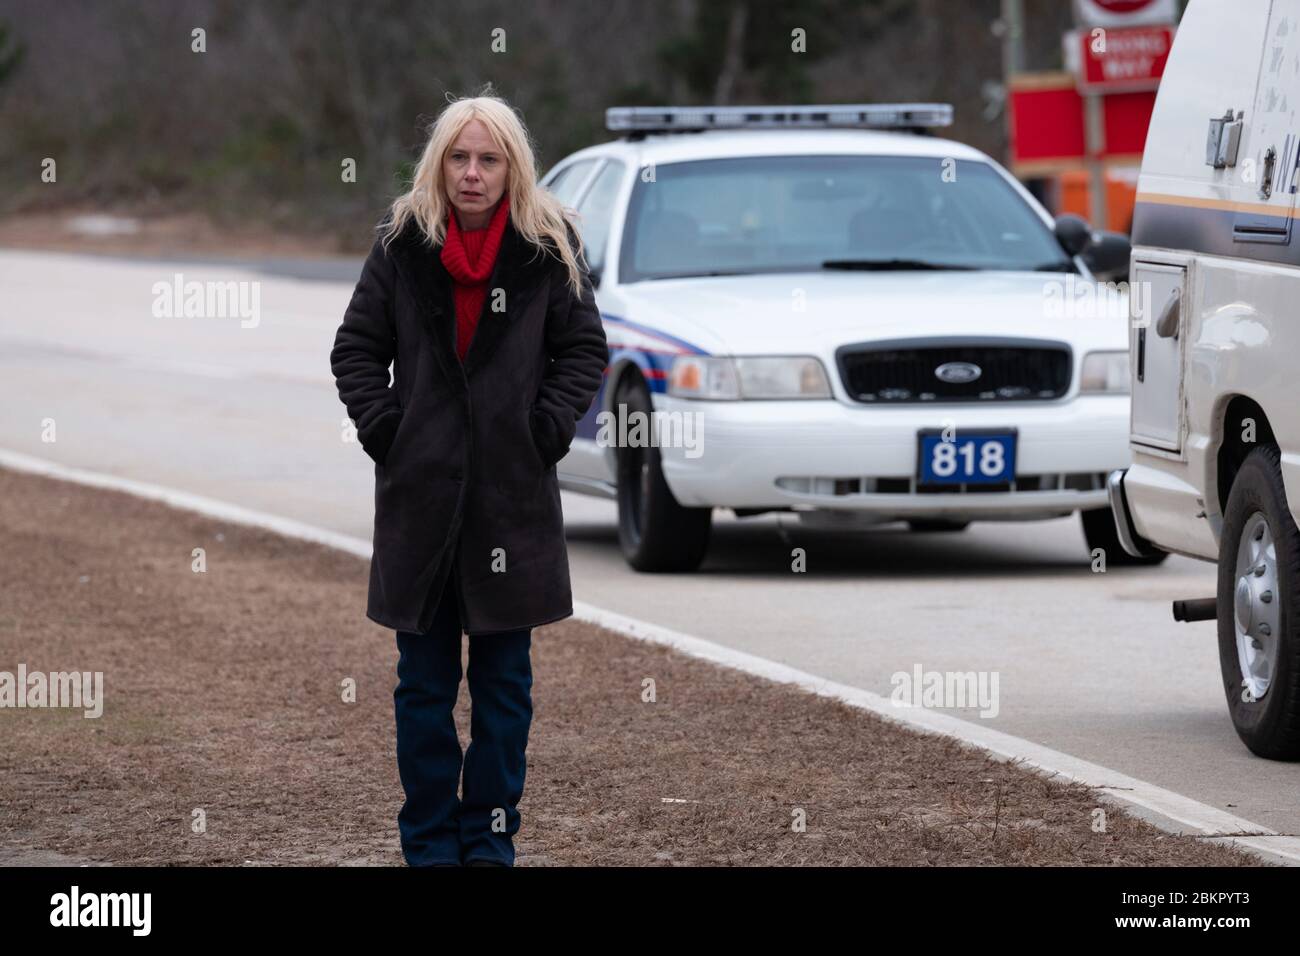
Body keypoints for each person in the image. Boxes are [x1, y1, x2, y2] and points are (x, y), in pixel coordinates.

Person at [329, 87, 609, 867]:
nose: (473, 173)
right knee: (421, 692)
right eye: (460, 156)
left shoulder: (549, 247)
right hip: (420, 506)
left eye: (489, 158)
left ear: (512, 166)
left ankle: (489, 845)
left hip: (507, 511)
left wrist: (544, 431)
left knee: (503, 693)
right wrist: (391, 431)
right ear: (440, 163)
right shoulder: (400, 243)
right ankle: (427, 848)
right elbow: (355, 349)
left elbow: (584, 349)